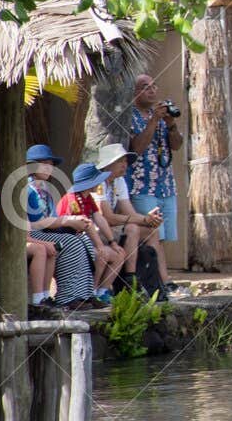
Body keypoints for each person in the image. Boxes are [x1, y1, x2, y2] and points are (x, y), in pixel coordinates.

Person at [23, 145, 100, 309]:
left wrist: (72, 223)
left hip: (46, 231)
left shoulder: (45, 190)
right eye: (44, 164)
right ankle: (67, 296)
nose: (49, 168)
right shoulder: (28, 190)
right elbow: (37, 223)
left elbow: (53, 219)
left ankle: (85, 294)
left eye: (50, 164)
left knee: (83, 240)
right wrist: (68, 221)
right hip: (33, 234)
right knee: (70, 244)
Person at [93, 142, 166, 292]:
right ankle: (130, 278)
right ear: (108, 165)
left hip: (110, 229)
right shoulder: (98, 182)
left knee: (152, 231)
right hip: (95, 232)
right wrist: (143, 219)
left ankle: (156, 281)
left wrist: (149, 220)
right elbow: (108, 217)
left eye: (125, 161)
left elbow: (129, 212)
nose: (125, 165)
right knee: (132, 229)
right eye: (120, 161)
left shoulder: (118, 182)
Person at [57, 162, 129, 300]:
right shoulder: (72, 199)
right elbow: (85, 225)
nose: (99, 183)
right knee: (101, 255)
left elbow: (99, 219)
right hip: (70, 244)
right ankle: (92, 292)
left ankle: (102, 290)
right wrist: (100, 245)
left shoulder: (88, 198)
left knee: (119, 254)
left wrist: (112, 242)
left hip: (83, 242)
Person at [126, 74, 182, 247]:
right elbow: (136, 149)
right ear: (134, 92)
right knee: (152, 234)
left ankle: (158, 274)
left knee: (163, 239)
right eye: (145, 87)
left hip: (166, 186)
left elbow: (177, 145)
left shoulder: (161, 115)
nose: (152, 90)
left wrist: (171, 124)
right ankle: (155, 274)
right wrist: (154, 121)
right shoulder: (130, 116)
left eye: (154, 86)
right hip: (143, 187)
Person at [0, 185, 56, 311]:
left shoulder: (19, 202)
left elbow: (25, 234)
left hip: (6, 242)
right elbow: (19, 237)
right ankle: (37, 301)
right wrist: (44, 243)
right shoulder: (5, 201)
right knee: (39, 249)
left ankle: (46, 297)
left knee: (51, 250)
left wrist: (47, 244)